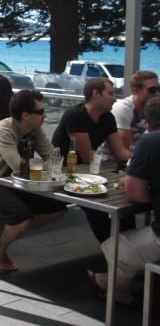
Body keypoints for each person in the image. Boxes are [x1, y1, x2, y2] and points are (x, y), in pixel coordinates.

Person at [0, 89, 64, 272]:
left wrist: (48, 166)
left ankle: (6, 230)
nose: (45, 116)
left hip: (19, 183)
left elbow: (51, 157)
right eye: (41, 112)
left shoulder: (35, 130)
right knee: (21, 218)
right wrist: (44, 166)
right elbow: (19, 167)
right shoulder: (4, 130)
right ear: (26, 115)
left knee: (57, 208)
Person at [87, 96, 160, 306]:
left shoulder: (150, 141)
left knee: (114, 246)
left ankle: (113, 288)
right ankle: (118, 286)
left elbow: (134, 193)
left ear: (147, 122)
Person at [51, 77, 133, 242]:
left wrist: (142, 160)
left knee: (127, 205)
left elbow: (120, 152)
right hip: (66, 173)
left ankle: (124, 254)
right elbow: (87, 156)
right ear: (96, 94)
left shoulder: (107, 117)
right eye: (110, 93)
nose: (114, 98)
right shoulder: (74, 115)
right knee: (98, 209)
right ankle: (112, 254)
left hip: (89, 172)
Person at [98, 70, 159, 164]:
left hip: (134, 159)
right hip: (110, 162)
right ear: (136, 90)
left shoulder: (152, 109)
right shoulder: (123, 108)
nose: (157, 93)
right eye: (152, 90)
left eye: (159, 89)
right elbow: (126, 145)